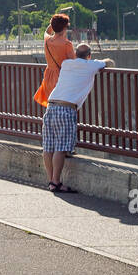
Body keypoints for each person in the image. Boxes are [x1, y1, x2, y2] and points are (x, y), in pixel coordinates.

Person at [42, 43, 114, 193]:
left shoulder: (67, 63)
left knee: (48, 147)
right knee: (61, 149)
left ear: (75, 54)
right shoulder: (91, 65)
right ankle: (56, 182)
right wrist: (98, 64)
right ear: (89, 55)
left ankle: (51, 181)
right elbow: (110, 62)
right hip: (66, 109)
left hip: (51, 105)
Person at [34, 13, 74, 107]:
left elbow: (47, 31)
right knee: (62, 106)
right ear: (64, 28)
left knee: (51, 105)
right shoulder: (67, 44)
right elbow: (74, 63)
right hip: (61, 78)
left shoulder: (47, 40)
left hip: (48, 77)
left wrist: (53, 23)